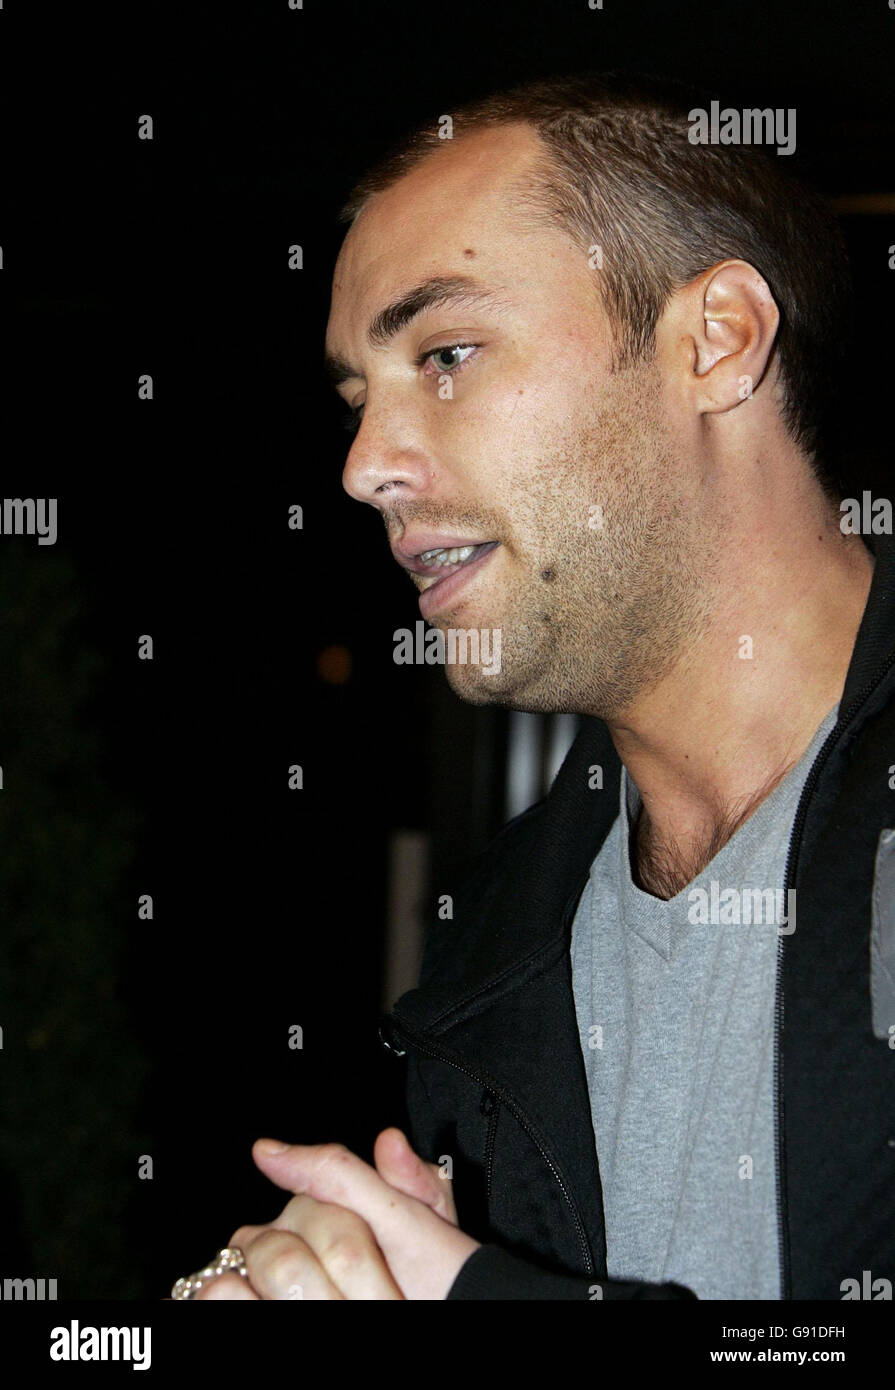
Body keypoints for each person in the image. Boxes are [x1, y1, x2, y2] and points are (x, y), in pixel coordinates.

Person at [179, 73, 894, 1301]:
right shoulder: (490, 963)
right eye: (359, 397)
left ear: (715, 341)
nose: (361, 468)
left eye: (445, 353)